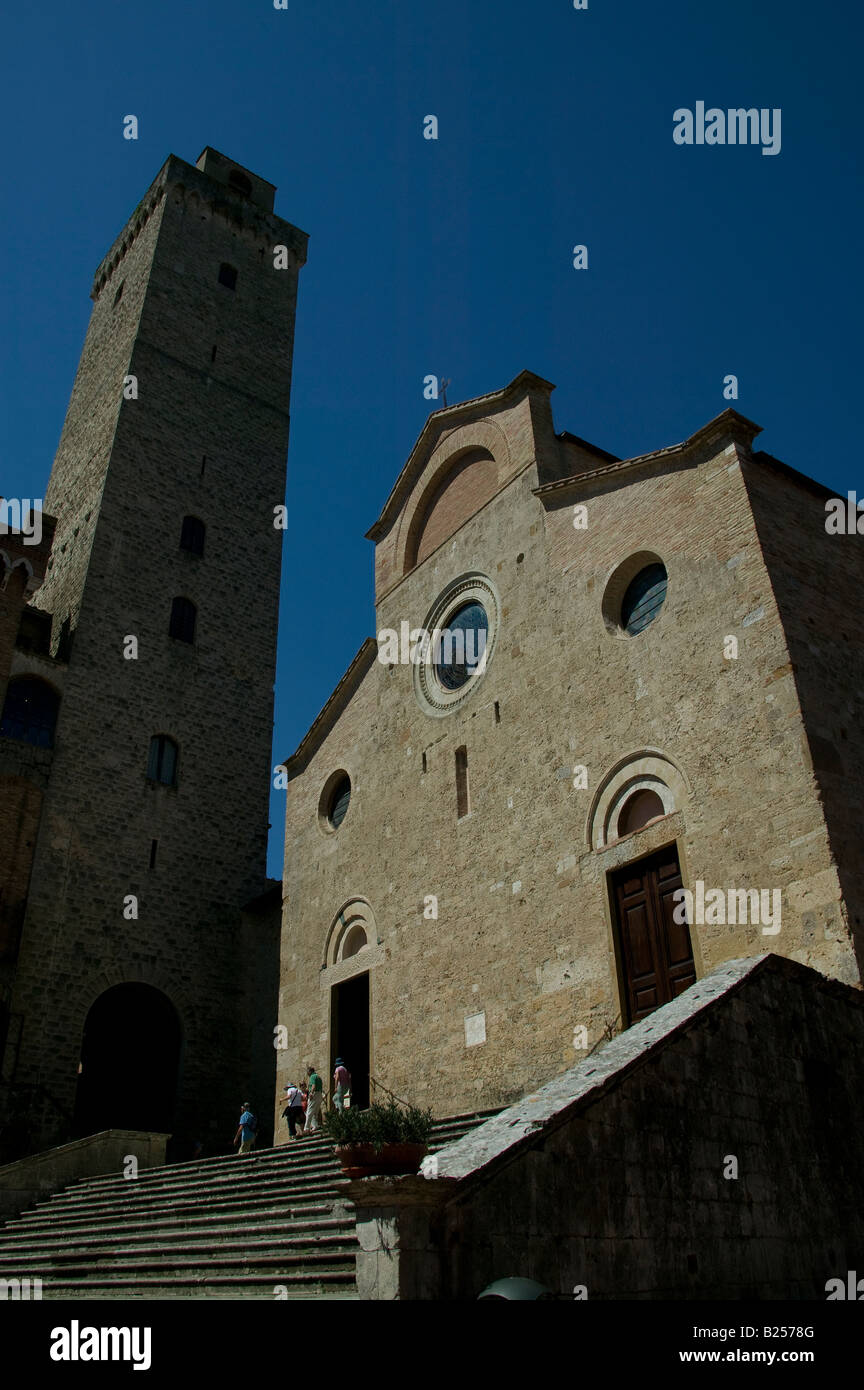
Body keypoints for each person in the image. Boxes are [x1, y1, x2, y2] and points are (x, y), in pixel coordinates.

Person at [305, 1066, 324, 1132]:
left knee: (309, 1111)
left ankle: (306, 1128)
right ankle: (315, 1125)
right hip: (319, 1094)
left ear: (310, 1071)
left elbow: (313, 1085)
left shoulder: (312, 1076)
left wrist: (311, 1093)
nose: (307, 1073)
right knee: (315, 1112)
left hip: (314, 1094)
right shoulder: (318, 1077)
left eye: (307, 1071)